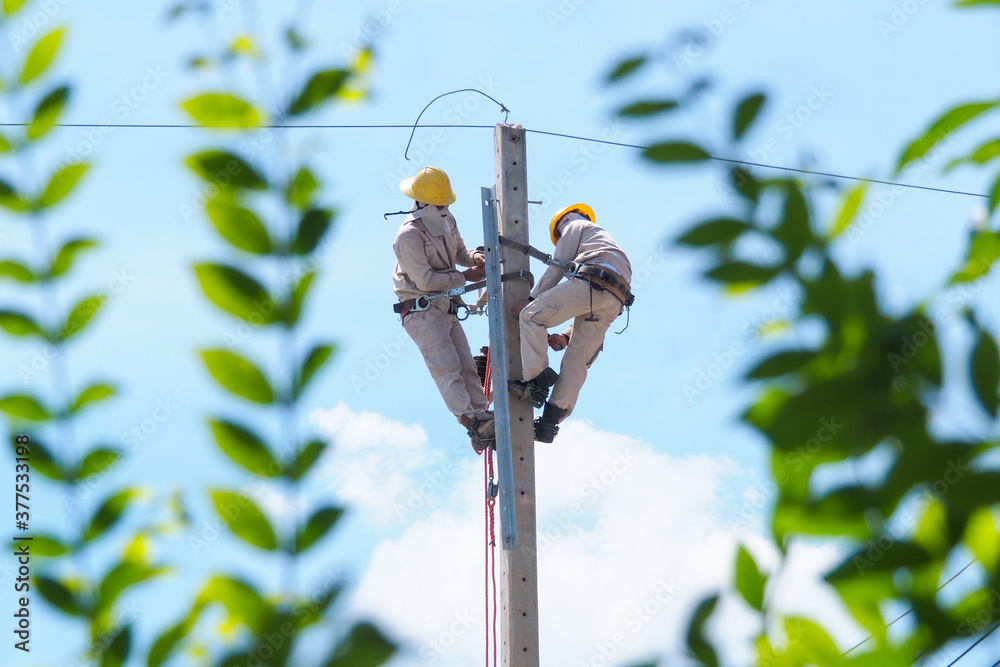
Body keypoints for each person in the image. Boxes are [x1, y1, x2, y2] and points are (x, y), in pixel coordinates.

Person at [391, 166, 494, 451]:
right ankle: (472, 421)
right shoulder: (408, 237)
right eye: (440, 206)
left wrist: (475, 258)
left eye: (446, 205)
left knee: (466, 369)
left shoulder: (446, 220)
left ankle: (484, 417)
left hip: (445, 307)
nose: (445, 210)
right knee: (447, 369)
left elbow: (459, 251)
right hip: (421, 311)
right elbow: (425, 281)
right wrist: (466, 277)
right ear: (421, 203)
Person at [512, 203, 633, 443]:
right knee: (577, 360)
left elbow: (558, 266)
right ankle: (550, 420)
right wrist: (567, 336)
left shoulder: (573, 225)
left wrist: (531, 300)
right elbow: (593, 302)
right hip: (614, 299)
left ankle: (536, 381)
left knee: (531, 316)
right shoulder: (605, 243)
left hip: (592, 282)